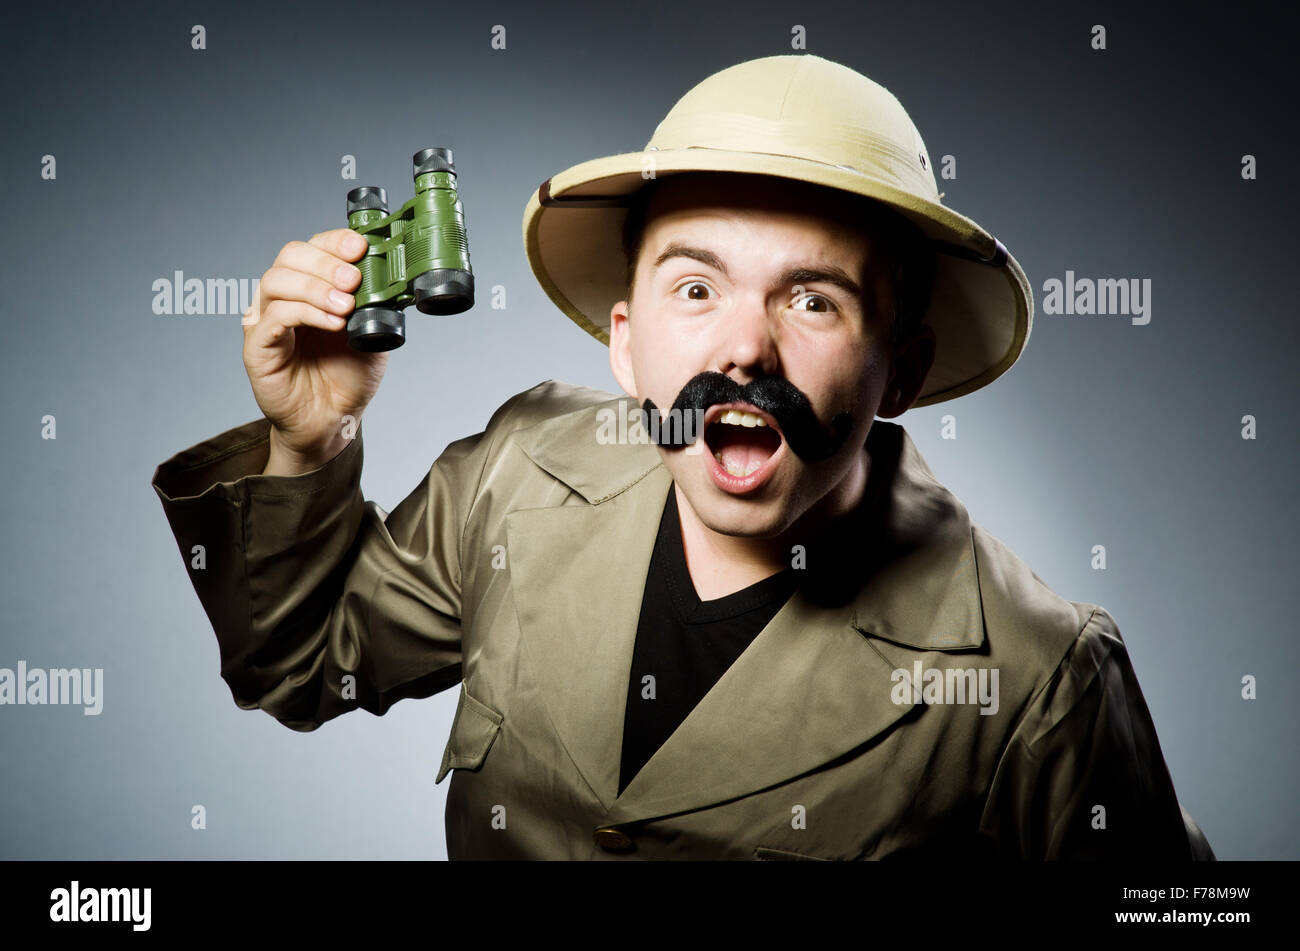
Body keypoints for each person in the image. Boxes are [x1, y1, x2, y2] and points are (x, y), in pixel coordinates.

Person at [151, 54, 1214, 860]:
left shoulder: (1036, 677)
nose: (744, 346)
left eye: (812, 299)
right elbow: (297, 670)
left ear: (900, 370)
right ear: (625, 338)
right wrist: (310, 437)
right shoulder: (518, 474)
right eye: (696, 289)